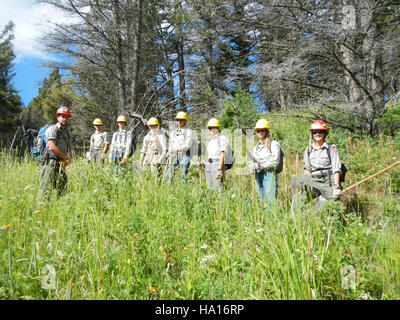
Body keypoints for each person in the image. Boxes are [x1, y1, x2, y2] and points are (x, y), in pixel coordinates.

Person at [291, 120, 342, 211]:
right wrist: (305, 183)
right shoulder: (308, 149)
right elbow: (307, 169)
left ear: (325, 133)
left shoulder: (331, 148)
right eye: (315, 132)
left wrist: (336, 186)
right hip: (314, 181)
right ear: (312, 134)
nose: (317, 134)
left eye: (320, 131)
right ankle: (295, 221)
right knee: (297, 199)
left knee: (325, 206)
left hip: (328, 182)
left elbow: (336, 169)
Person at [38, 106, 72, 201]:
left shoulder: (67, 133)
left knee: (63, 186)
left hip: (62, 163)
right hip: (51, 162)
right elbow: (52, 146)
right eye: (62, 116)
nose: (64, 118)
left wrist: (69, 159)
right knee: (46, 186)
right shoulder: (53, 129)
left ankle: (61, 205)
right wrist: (65, 158)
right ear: (57, 117)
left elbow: (69, 148)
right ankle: (42, 207)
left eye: (67, 117)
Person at [249, 119, 280, 208]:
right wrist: (252, 166)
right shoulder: (256, 147)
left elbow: (275, 161)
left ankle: (272, 219)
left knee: (270, 198)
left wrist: (261, 165)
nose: (260, 132)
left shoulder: (274, 144)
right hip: (258, 174)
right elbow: (254, 160)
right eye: (258, 130)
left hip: (269, 173)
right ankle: (265, 219)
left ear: (266, 131)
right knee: (261, 197)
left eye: (262, 130)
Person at [164, 111, 193, 182]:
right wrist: (169, 154)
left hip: (184, 155)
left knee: (183, 176)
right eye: (177, 120)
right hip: (174, 155)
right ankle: (168, 191)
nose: (179, 121)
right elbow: (171, 144)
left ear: (185, 121)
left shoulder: (188, 132)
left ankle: (184, 192)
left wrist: (178, 149)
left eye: (181, 120)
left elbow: (188, 145)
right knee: (168, 176)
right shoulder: (173, 133)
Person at [205, 118, 229, 191]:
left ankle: (220, 202)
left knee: (218, 187)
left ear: (217, 128)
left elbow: (222, 153)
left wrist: (219, 168)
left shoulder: (222, 138)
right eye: (210, 128)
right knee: (209, 186)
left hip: (217, 164)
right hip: (209, 164)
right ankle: (211, 201)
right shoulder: (209, 140)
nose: (211, 129)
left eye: (213, 127)